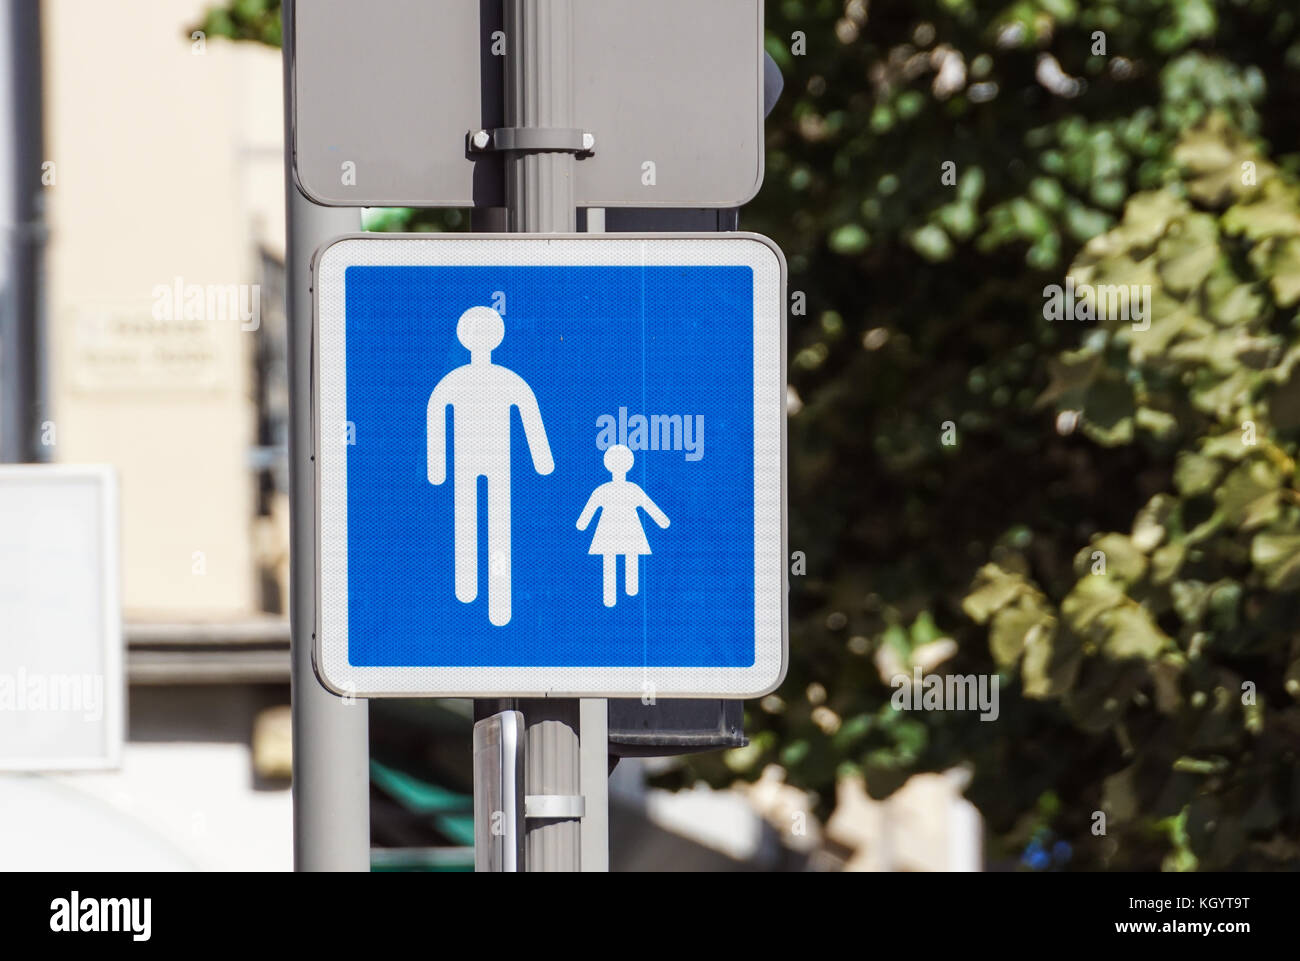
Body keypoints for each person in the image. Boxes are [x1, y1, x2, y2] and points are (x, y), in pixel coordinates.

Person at [427, 306, 553, 626]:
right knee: (479, 522)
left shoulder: (470, 379)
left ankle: (484, 593)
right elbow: (437, 414)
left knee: (485, 523)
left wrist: (437, 468)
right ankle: (476, 591)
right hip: (478, 462)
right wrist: (437, 468)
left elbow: (529, 413)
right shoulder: (493, 379)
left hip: (490, 462)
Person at [576, 444, 669, 607]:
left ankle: (613, 598)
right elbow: (652, 510)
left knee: (610, 559)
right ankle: (629, 593)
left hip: (611, 530)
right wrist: (662, 521)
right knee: (627, 557)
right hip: (628, 529)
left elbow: (586, 516)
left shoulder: (604, 490)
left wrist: (582, 524)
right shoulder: (631, 489)